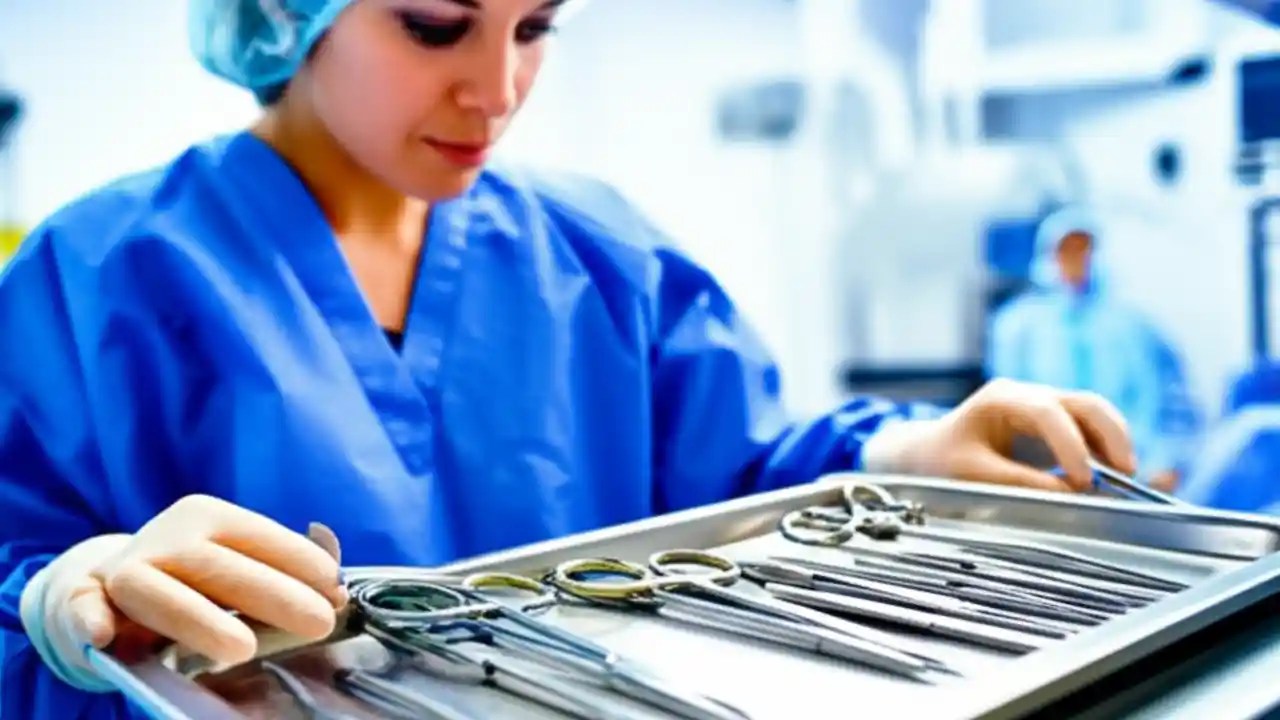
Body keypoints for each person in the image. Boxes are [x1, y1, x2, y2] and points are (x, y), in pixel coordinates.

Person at [0, 2, 1138, 716]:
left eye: (535, 26)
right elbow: (21, 561)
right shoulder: (96, 270)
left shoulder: (598, 252)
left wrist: (906, 448)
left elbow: (734, 479)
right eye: (436, 26)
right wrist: (60, 600)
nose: (495, 90)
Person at [987, 206, 1199, 494]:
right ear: (1049, 256)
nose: (1076, 260)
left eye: (1083, 249)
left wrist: (1167, 462)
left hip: (1137, 478)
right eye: (1067, 250)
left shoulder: (1135, 326)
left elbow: (1176, 403)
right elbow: (1007, 407)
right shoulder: (1017, 328)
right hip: (1049, 480)